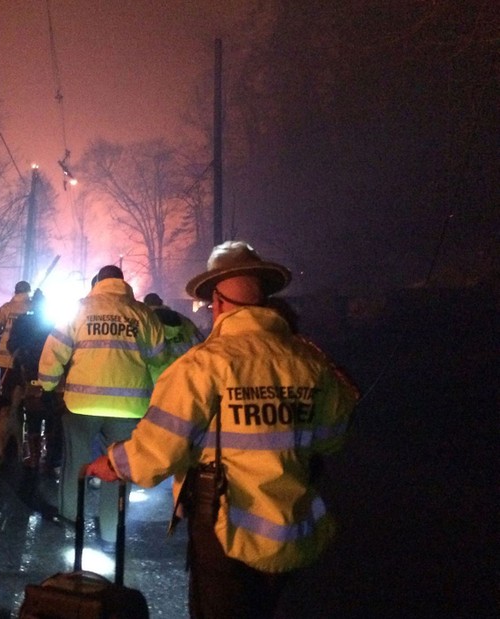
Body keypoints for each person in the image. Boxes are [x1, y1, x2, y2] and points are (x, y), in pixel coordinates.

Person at [85, 241, 360, 618]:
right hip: (295, 529)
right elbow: (333, 439)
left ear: (218, 301)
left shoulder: (204, 365)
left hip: (224, 527)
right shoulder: (310, 363)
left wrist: (114, 464)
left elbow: (159, 448)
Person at [38, 265, 170, 551]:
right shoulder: (142, 313)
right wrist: (160, 396)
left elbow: (54, 350)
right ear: (123, 283)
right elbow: (159, 361)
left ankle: (71, 521)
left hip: (81, 404)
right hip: (129, 407)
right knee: (118, 467)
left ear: (97, 282)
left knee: (76, 463)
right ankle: (110, 532)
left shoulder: (80, 309)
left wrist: (48, 386)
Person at [7, 289, 61, 473]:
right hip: (51, 375)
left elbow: (11, 345)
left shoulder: (23, 321)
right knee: (51, 415)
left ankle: (34, 456)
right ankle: (49, 459)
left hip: (27, 374)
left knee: (32, 415)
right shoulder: (53, 323)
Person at [143, 292, 204, 358]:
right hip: (188, 363)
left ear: (145, 305)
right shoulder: (182, 318)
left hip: (165, 367)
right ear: (161, 302)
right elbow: (198, 342)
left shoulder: (145, 322)